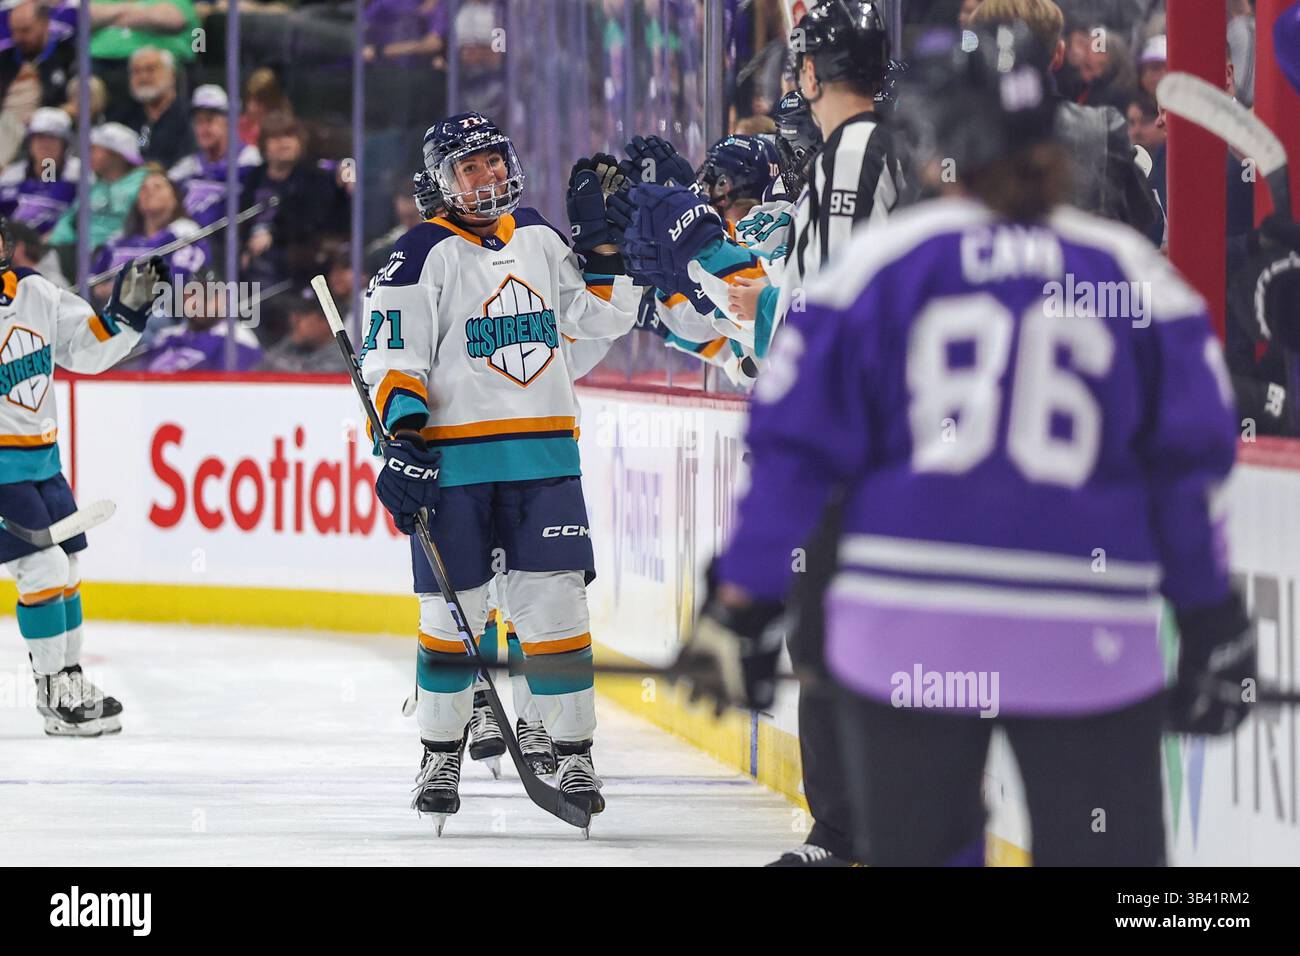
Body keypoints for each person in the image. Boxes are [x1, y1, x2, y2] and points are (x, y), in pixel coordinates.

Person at [680, 25, 1256, 867]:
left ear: (937, 147)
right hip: (1084, 640)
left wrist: (742, 605)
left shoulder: (872, 271)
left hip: (911, 640)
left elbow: (796, 458)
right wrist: (1211, 620)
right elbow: (1186, 472)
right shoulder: (1134, 277)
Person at [617, 0, 907, 866]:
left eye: (798, 69)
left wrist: (712, 253)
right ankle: (844, 832)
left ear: (813, 73)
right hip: (863, 442)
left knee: (841, 639)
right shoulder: (847, 160)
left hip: (862, 451)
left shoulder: (859, 153)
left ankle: (856, 833)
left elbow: (833, 321)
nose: (792, 83)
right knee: (827, 639)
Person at [362, 110, 637, 831]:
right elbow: (393, 359)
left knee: (555, 611)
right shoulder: (420, 252)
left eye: (494, 160)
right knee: (450, 623)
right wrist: (407, 442)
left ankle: (573, 750)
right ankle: (440, 751)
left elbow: (598, 318)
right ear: (442, 183)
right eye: (470, 167)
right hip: (457, 470)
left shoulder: (543, 236)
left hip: (545, 461)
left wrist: (607, 247)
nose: (488, 176)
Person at [0, 218, 166, 735]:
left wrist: (127, 314)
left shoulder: (34, 291)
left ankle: (69, 678)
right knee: (43, 570)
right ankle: (52, 692)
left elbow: (84, 350)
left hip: (43, 463)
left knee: (68, 567)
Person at [88, 165, 208, 307]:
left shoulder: (184, 232)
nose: (149, 192)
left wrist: (125, 290)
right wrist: (97, 290)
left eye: (157, 187)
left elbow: (179, 280)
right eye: (143, 188)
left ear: (175, 198)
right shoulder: (119, 240)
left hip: (158, 314)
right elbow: (92, 279)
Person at [168, 85, 263, 229]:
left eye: (209, 120)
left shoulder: (250, 158)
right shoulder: (188, 166)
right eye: (198, 122)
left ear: (228, 122)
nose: (203, 128)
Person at [47, 122, 147, 254]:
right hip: (78, 255)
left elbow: (143, 227)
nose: (87, 155)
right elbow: (70, 220)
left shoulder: (143, 183)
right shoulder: (94, 186)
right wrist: (57, 242)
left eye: (94, 149)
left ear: (116, 154)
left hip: (120, 256)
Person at [0, 107, 80, 237]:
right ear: (30, 142)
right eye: (40, 138)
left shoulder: (80, 175)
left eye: (52, 138)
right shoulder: (11, 175)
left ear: (65, 144)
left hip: (60, 247)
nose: (45, 144)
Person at [111, 46, 192, 169]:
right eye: (136, 71)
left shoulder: (189, 116)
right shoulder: (124, 116)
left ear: (172, 75)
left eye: (150, 69)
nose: (143, 77)